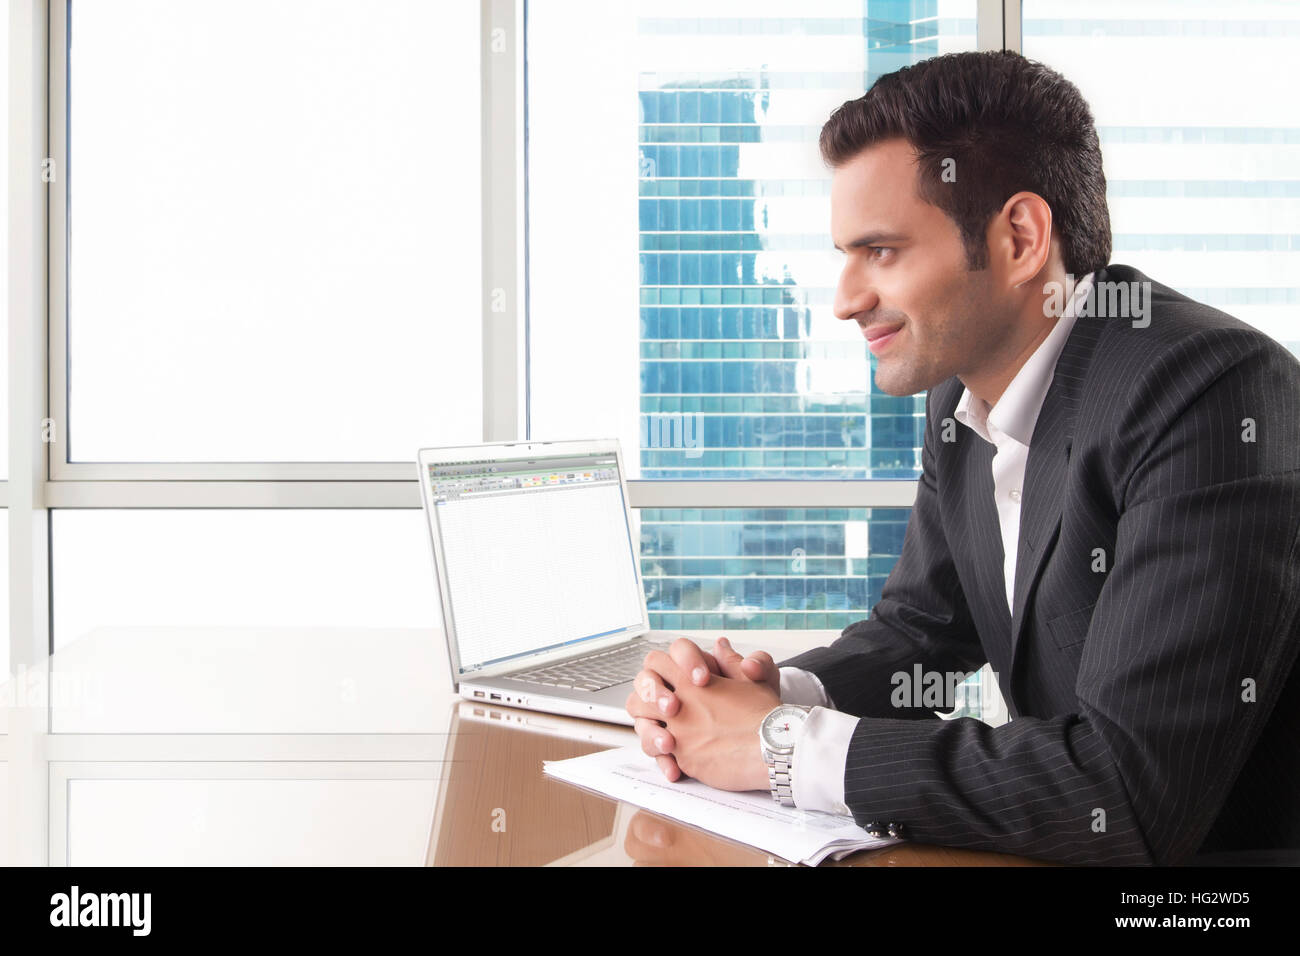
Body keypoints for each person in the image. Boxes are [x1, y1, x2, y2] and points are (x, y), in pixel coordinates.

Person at [625, 50, 1300, 866]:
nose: (844, 299)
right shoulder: (962, 397)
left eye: (882, 252)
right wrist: (769, 697)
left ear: (1019, 238)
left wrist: (785, 749)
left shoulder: (1207, 393)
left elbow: (1127, 791)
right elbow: (921, 631)